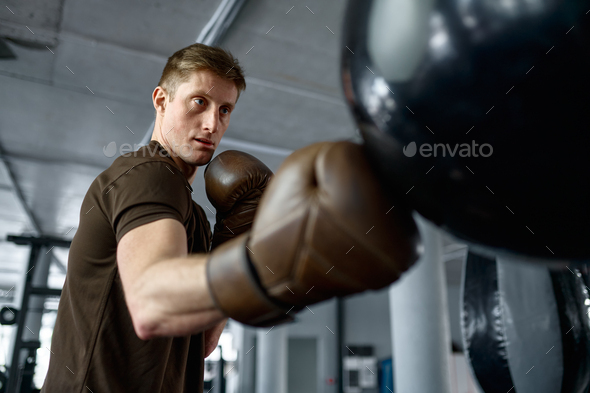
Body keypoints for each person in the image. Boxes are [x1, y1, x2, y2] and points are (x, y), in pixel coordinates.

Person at [42, 43, 251, 393]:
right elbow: (154, 309)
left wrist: (233, 237)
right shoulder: (150, 175)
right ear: (161, 100)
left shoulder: (192, 213)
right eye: (200, 101)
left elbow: (197, 345)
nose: (212, 123)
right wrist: (262, 270)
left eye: (225, 109)